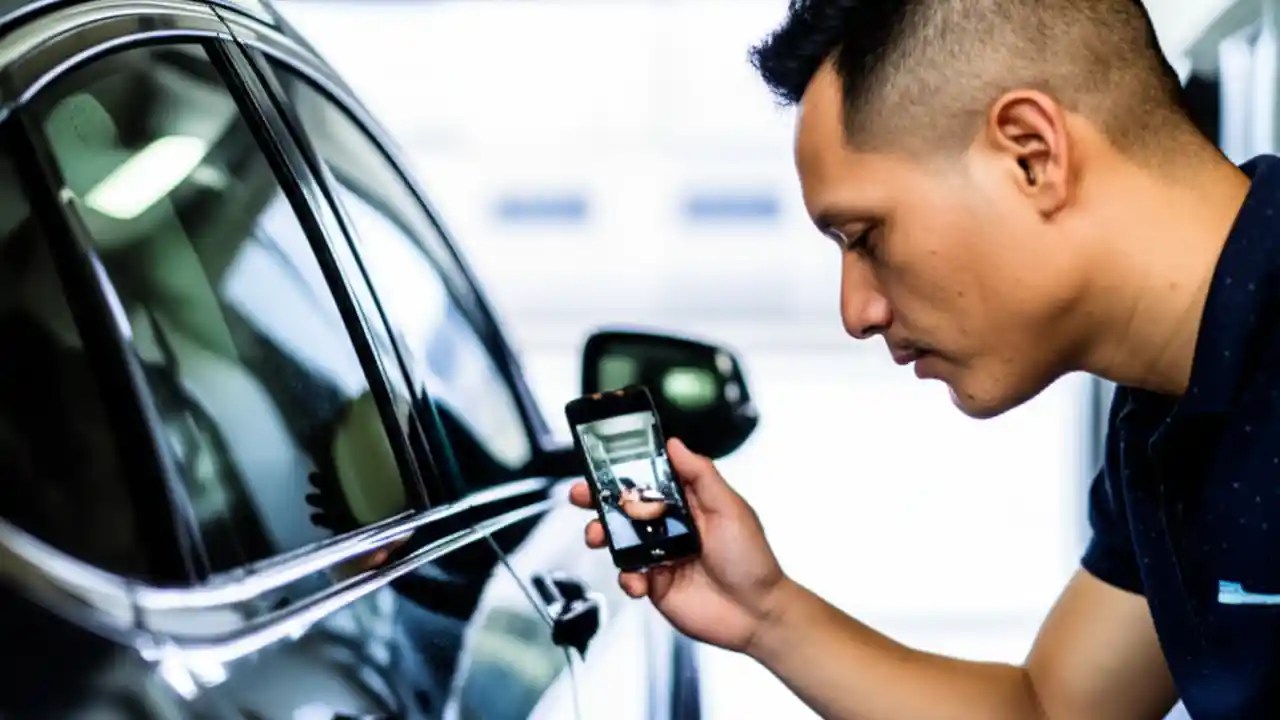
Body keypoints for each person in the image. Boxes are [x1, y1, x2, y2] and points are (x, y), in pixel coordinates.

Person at [570, 1, 1280, 718]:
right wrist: (765, 614)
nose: (857, 313)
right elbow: (1053, 709)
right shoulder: (1159, 410)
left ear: (1031, 154)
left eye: (865, 236)